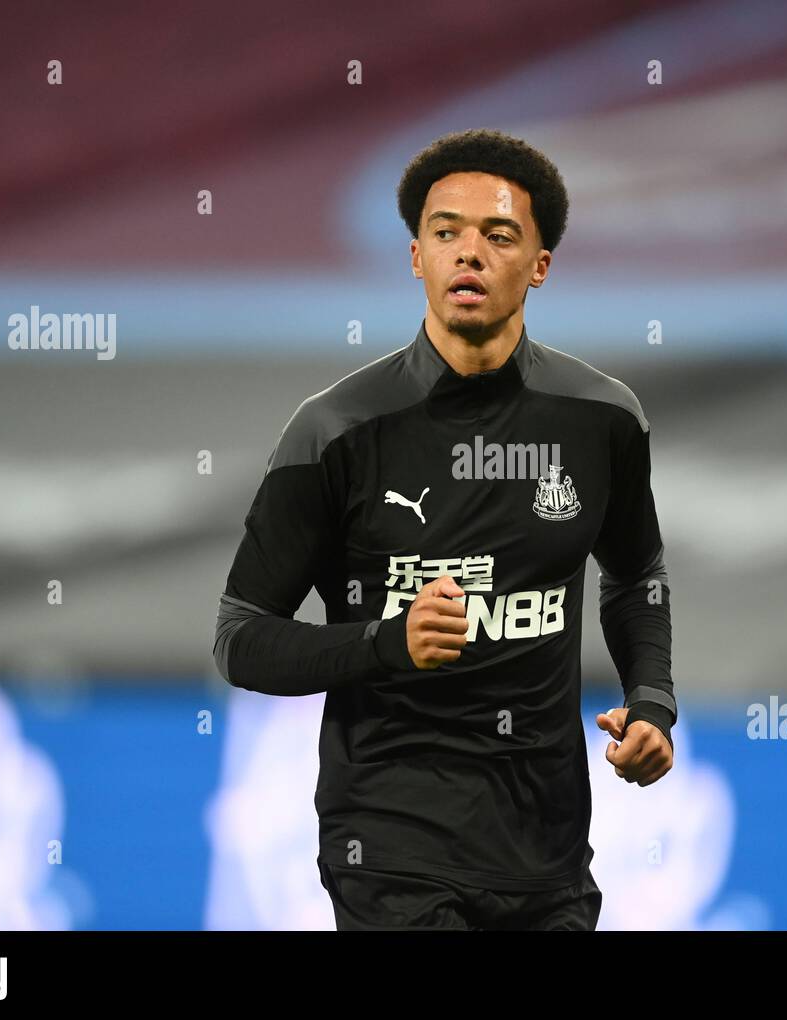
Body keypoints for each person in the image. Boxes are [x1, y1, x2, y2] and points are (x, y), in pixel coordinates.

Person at [213, 128, 675, 930]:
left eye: (499, 236)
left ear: (539, 266)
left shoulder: (603, 418)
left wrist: (652, 705)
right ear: (415, 256)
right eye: (445, 232)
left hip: (548, 848)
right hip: (392, 844)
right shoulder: (335, 430)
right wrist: (383, 643)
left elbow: (636, 574)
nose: (470, 253)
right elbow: (241, 637)